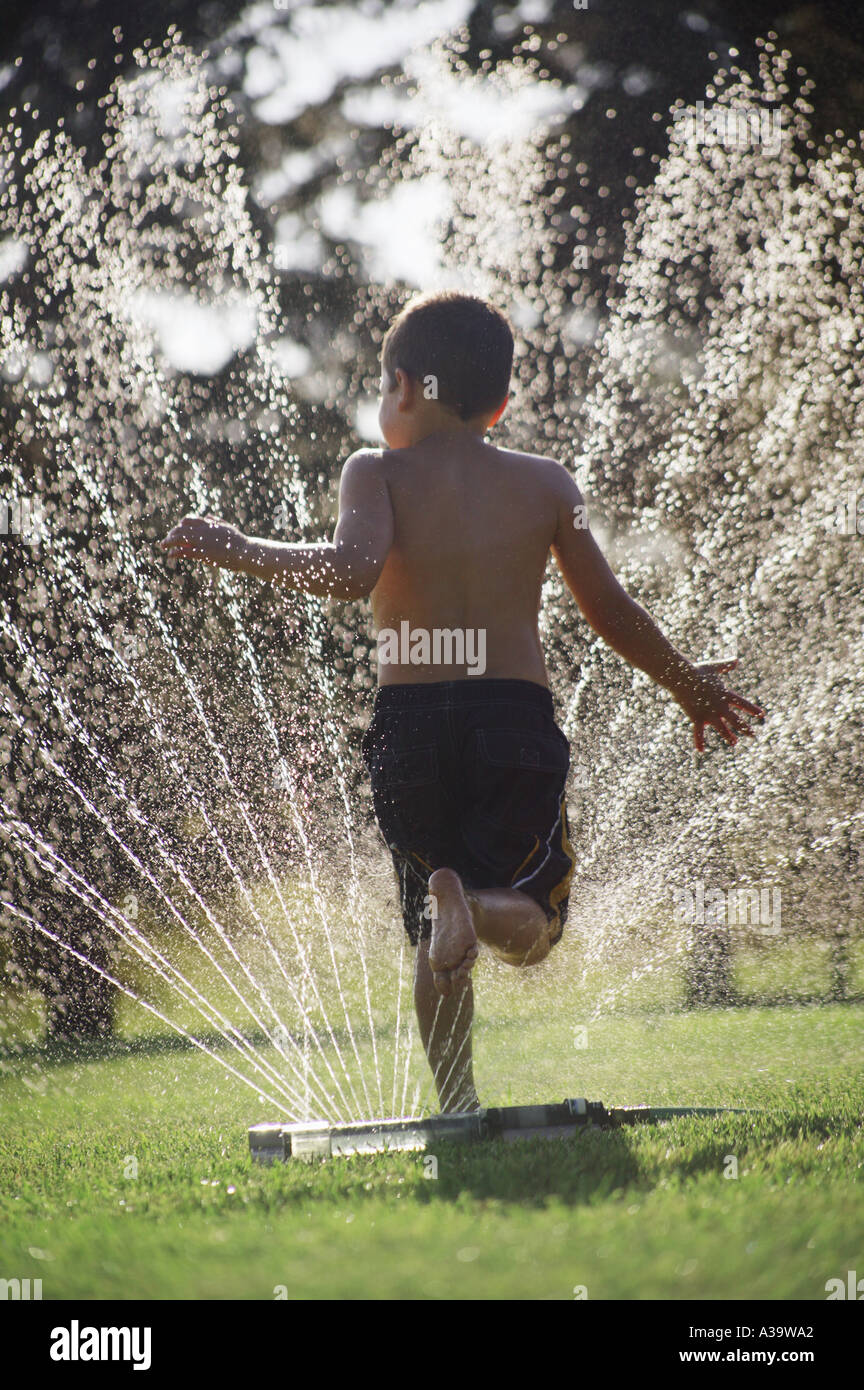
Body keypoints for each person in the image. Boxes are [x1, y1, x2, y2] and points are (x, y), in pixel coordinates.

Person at [160, 290, 764, 1113]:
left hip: (408, 729)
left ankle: (456, 1104)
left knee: (429, 922)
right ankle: (474, 906)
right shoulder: (548, 484)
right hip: (510, 719)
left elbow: (346, 573)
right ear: (501, 402)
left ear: (403, 387)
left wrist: (240, 548)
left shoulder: (373, 471)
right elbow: (611, 610)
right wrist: (688, 686)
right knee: (533, 923)